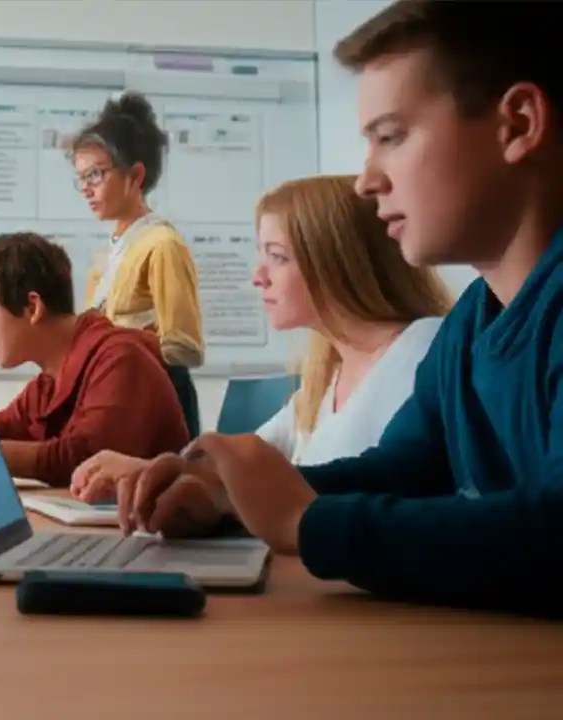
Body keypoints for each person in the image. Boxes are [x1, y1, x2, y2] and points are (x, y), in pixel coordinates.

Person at [110, 0, 563, 616]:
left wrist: (306, 521)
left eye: (392, 137)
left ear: (517, 124)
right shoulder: (469, 325)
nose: (366, 180)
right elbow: (402, 469)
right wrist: (231, 497)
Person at [72, 175, 451, 503]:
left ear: (338, 264)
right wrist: (143, 471)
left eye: (278, 257)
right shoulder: (327, 375)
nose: (258, 276)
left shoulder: (421, 353)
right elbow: (238, 462)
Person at [0, 232, 188, 487]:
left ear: (33, 308)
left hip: (143, 526)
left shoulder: (120, 359)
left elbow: (84, 459)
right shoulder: (48, 383)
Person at [73, 91, 206, 437]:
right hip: (116, 398)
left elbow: (184, 347)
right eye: (81, 178)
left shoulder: (162, 244)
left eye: (96, 175)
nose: (86, 189)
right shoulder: (103, 262)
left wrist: (118, 344)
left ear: (135, 176)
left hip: (158, 404)